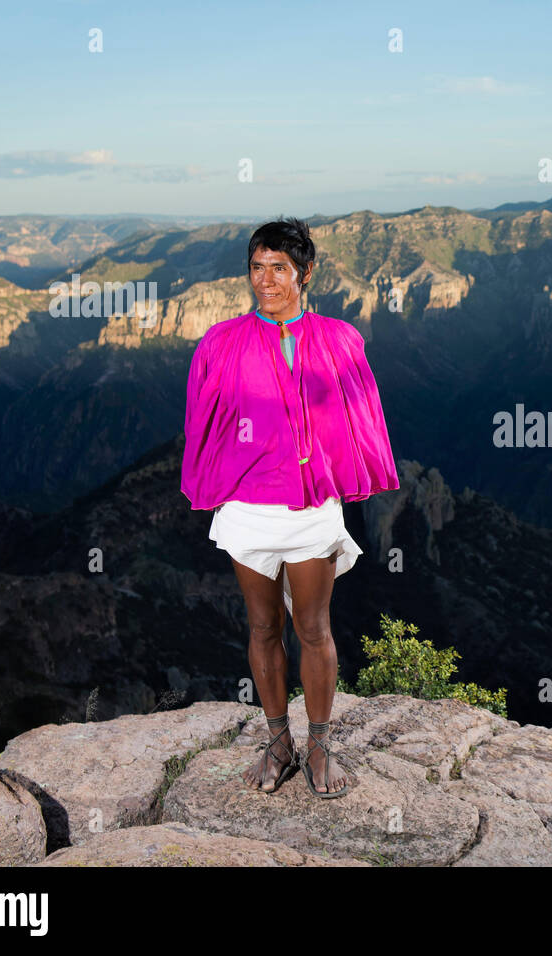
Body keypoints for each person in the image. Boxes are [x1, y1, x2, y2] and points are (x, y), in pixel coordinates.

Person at [181, 216, 399, 798]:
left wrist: (354, 474)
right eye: (257, 267)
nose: (266, 280)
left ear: (304, 272)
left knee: (314, 628)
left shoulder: (339, 339)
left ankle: (320, 746)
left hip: (310, 512)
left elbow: (361, 416)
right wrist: (209, 485)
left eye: (279, 267)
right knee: (261, 627)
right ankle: (278, 742)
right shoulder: (221, 342)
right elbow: (203, 425)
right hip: (248, 512)